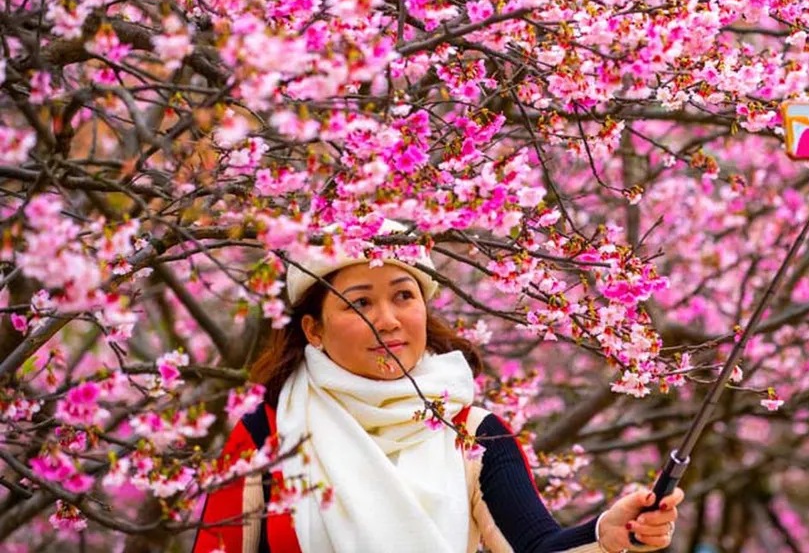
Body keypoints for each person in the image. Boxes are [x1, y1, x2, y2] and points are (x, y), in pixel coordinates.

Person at [192, 222, 683, 553]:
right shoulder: (269, 434)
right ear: (313, 330)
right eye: (359, 303)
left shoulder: (472, 434)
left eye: (404, 296)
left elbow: (533, 546)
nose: (387, 321)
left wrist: (608, 534)